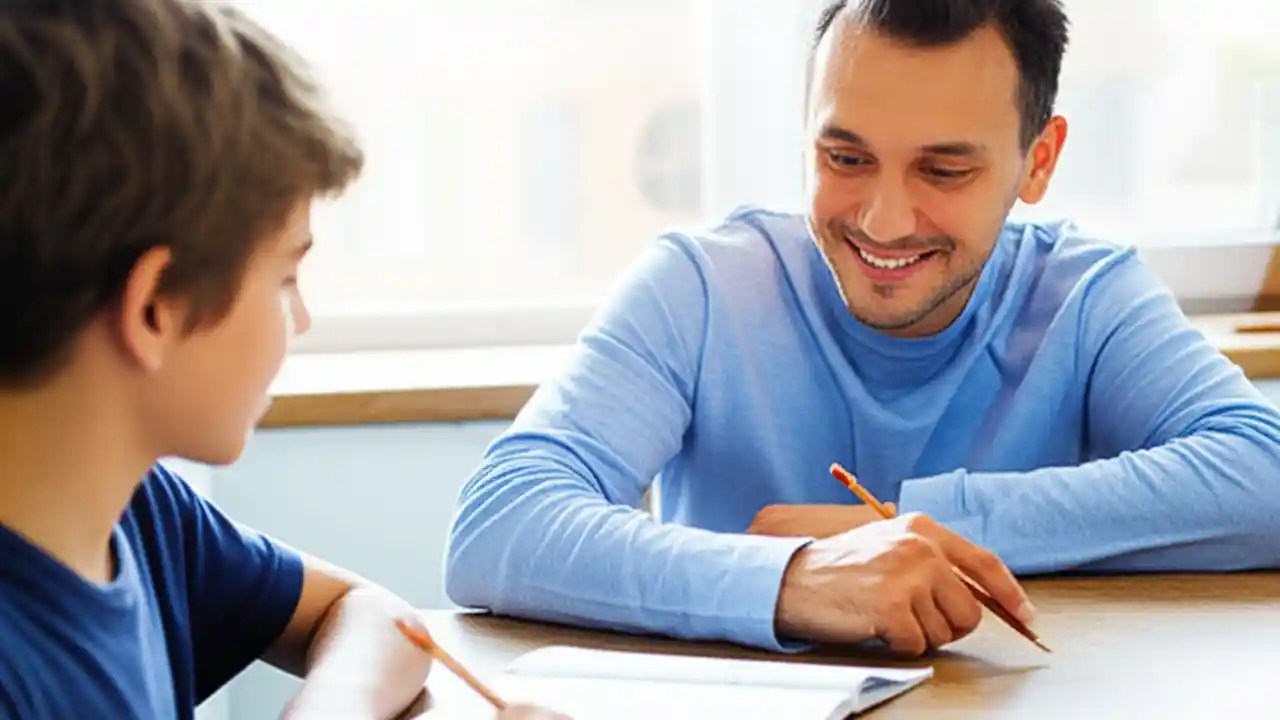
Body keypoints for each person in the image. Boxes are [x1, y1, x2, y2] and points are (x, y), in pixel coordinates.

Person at [446, 0, 1280, 657]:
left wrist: (920, 527)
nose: (882, 221)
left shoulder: (1086, 296)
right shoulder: (698, 288)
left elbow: (1264, 474)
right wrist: (795, 579)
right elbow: (498, 525)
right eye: (845, 159)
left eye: (943, 170)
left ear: (1039, 161)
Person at [0, 2, 563, 718]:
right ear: (156, 308)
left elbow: (376, 618)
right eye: (285, 278)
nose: (300, 319)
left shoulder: (134, 512)